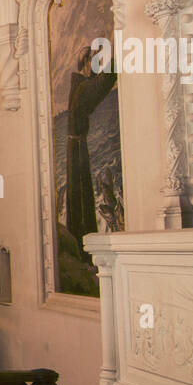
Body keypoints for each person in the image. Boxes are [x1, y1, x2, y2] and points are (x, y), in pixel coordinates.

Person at [65, 46, 118, 248]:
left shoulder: (77, 86)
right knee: (81, 195)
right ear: (86, 64)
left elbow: (94, 83)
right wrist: (115, 61)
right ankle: (83, 242)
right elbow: (100, 85)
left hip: (76, 147)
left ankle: (80, 240)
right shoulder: (81, 89)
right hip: (77, 149)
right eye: (92, 61)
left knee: (80, 196)